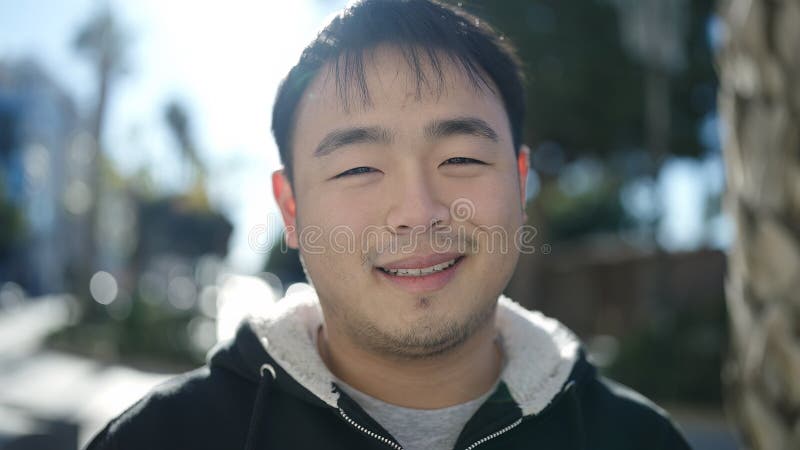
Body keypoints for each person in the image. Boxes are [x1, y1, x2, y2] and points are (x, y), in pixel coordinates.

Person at [85, 1, 692, 449]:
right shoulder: (163, 438)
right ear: (291, 209)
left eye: (460, 159)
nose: (416, 211)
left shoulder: (638, 439)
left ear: (519, 179)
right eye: (358, 168)